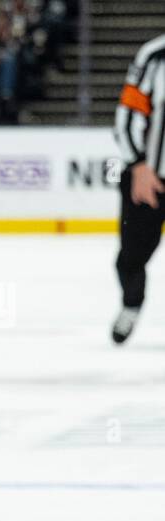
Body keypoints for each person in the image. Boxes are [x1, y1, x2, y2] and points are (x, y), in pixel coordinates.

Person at [111, 33, 165, 345]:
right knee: (130, 257)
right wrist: (139, 164)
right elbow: (129, 112)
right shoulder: (156, 55)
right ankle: (131, 304)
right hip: (150, 179)